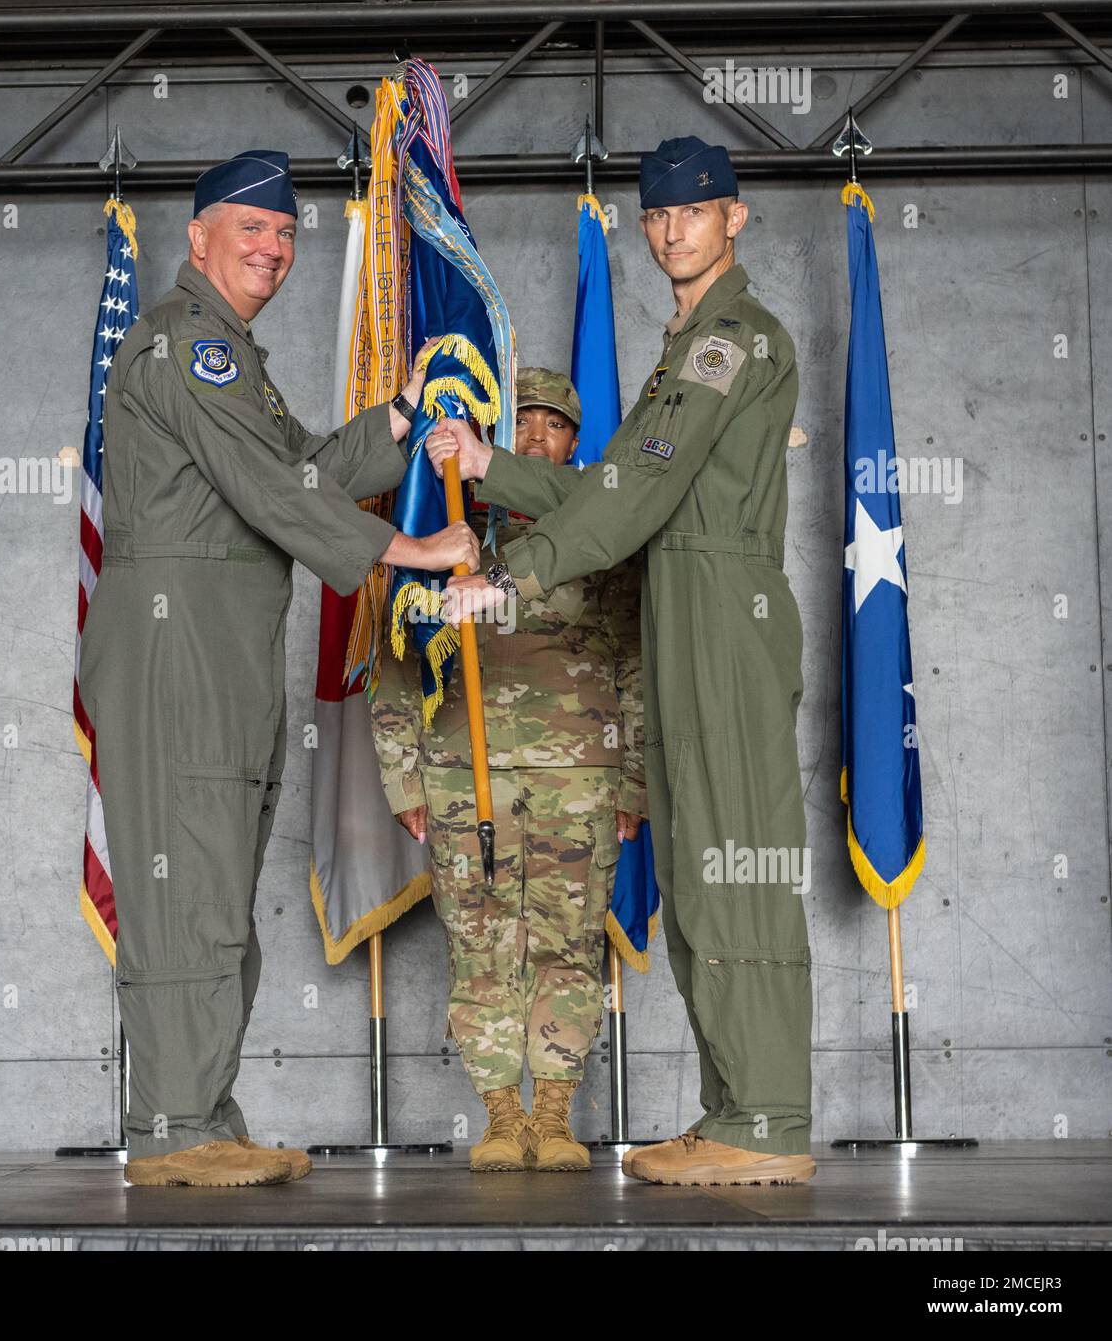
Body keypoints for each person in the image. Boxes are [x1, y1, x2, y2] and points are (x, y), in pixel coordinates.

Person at [78, 149, 477, 1188]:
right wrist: (413, 551)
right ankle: (172, 1128)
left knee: (213, 885)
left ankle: (203, 1111)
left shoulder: (230, 356)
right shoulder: (184, 348)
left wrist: (397, 415)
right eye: (251, 230)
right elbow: (277, 496)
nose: (273, 249)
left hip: (216, 645)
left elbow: (300, 469)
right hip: (178, 650)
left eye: (288, 235)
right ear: (198, 237)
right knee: (186, 887)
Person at [427, 136, 815, 1187]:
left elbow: (633, 497)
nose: (669, 230)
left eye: (692, 212)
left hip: (722, 617)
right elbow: (617, 488)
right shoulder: (682, 345)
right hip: (684, 612)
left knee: (740, 872)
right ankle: (735, 1109)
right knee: (700, 880)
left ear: (735, 219)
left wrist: (514, 576)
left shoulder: (727, 342)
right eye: (654, 216)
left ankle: (770, 1119)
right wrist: (492, 467)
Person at [374, 367, 647, 1172]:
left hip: (580, 780)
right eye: (520, 425)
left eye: (553, 427)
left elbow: (637, 661)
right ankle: (500, 1115)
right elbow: (396, 655)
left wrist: (634, 780)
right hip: (466, 773)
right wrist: (404, 773)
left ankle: (555, 1114)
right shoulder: (448, 530)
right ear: (492, 437)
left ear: (575, 440)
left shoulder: (606, 532)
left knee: (568, 946)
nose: (535, 439)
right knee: (480, 945)